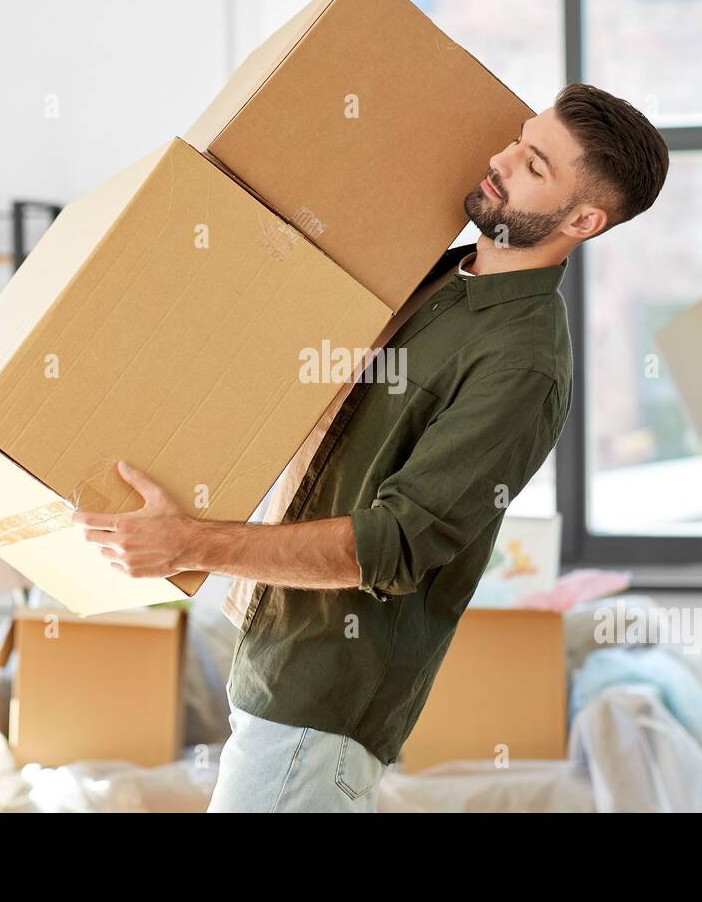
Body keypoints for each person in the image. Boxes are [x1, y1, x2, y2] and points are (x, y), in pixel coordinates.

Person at [74, 82, 669, 812]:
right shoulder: (443, 273)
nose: (501, 158)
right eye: (519, 136)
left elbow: (390, 546)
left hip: (321, 704)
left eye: (535, 165)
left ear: (583, 217)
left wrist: (188, 543)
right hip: (274, 669)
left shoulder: (523, 365)